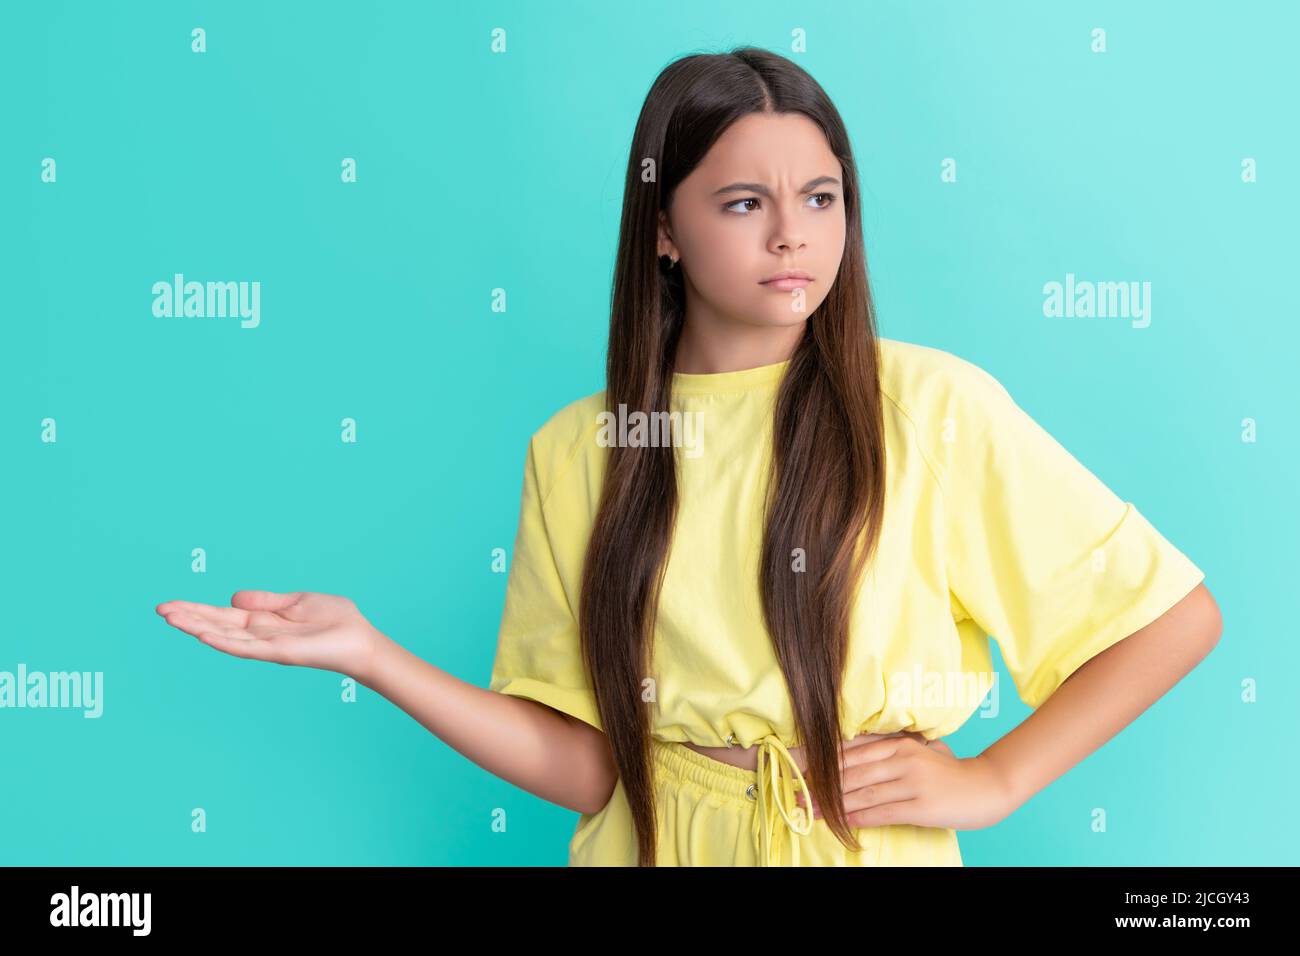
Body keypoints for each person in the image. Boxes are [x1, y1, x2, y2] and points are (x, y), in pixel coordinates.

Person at [155, 46, 1223, 867]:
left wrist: (994, 780)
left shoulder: (930, 405)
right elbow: (589, 763)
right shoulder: (580, 448)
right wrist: (370, 653)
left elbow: (1174, 616)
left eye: (820, 198)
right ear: (663, 227)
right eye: (744, 203)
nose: (792, 237)